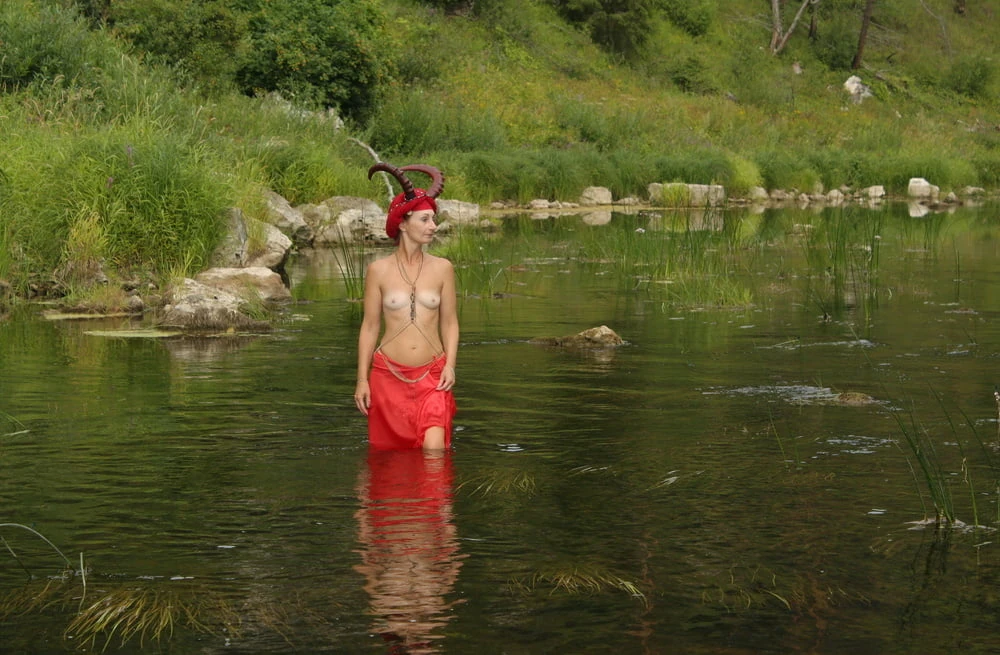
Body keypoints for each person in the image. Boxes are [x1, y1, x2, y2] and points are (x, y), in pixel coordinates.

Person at [354, 163, 458, 450]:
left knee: (434, 451)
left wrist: (450, 365)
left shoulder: (443, 269)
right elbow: (370, 326)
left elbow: (449, 323)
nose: (433, 226)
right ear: (402, 222)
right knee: (390, 462)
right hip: (387, 375)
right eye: (425, 220)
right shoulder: (378, 270)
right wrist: (362, 380)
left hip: (434, 376)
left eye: (433, 220)